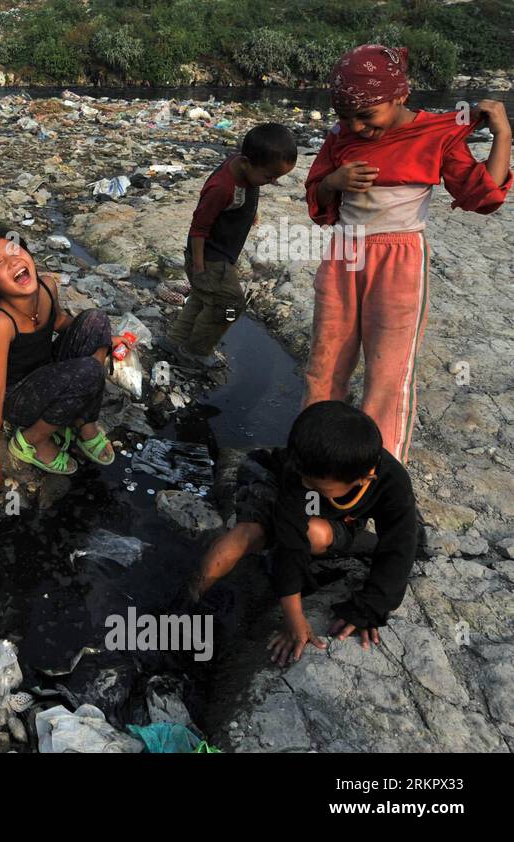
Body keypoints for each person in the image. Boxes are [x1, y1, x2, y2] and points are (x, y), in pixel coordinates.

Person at [304, 44, 510, 462]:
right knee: (325, 363)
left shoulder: (434, 134)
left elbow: (482, 196)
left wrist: (503, 134)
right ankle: (314, 453)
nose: (357, 127)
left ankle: (382, 466)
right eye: (346, 117)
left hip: (399, 261)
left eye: (366, 115)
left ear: (400, 96)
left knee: (388, 371)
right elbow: (317, 200)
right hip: (343, 255)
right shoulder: (338, 140)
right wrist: (335, 181)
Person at [187, 401, 419, 666]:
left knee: (314, 535)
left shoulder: (394, 484)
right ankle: (191, 598)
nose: (306, 486)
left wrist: (370, 608)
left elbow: (400, 547)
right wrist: (293, 617)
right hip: (276, 484)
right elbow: (290, 542)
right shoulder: (299, 472)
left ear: (365, 479)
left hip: (326, 520)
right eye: (306, 481)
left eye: (316, 485)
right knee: (245, 536)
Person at [0, 227, 115, 501]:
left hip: (47, 370)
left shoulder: (47, 286)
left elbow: (58, 322)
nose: (12, 261)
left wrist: (102, 338)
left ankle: (84, 423)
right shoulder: (0, 323)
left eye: (15, 251)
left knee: (96, 319)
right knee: (89, 371)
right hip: (19, 396)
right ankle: (31, 440)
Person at [165, 122, 298, 369]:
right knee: (229, 306)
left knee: (201, 299)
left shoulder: (248, 172)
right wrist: (198, 268)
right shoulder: (221, 187)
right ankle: (196, 350)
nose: (271, 182)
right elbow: (199, 228)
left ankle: (176, 340)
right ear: (246, 162)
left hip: (221, 257)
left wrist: (250, 213)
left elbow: (248, 191)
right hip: (210, 260)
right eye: (269, 177)